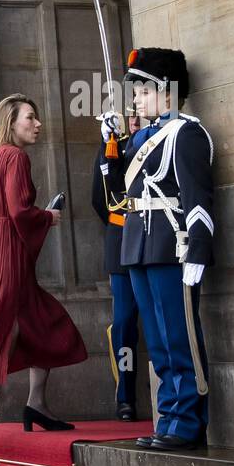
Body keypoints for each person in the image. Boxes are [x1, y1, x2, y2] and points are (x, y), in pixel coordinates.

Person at [0, 95, 87, 466]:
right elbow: (21, 212)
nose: (38, 124)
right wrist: (49, 217)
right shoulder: (14, 157)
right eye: (31, 117)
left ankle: (37, 403)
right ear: (11, 123)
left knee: (43, 319)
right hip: (5, 253)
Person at [118, 48, 213, 451]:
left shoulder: (186, 132)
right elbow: (120, 195)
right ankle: (168, 417)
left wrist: (198, 251)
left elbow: (198, 196)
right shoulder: (143, 137)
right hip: (139, 245)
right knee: (156, 342)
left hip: (172, 245)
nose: (135, 99)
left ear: (167, 92)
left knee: (179, 336)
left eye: (142, 90)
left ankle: (187, 423)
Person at [92, 109, 142, 421]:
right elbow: (101, 199)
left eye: (138, 114)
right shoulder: (115, 149)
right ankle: (126, 395)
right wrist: (106, 145)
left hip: (151, 238)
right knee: (124, 324)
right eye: (130, 115)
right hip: (122, 241)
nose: (134, 120)